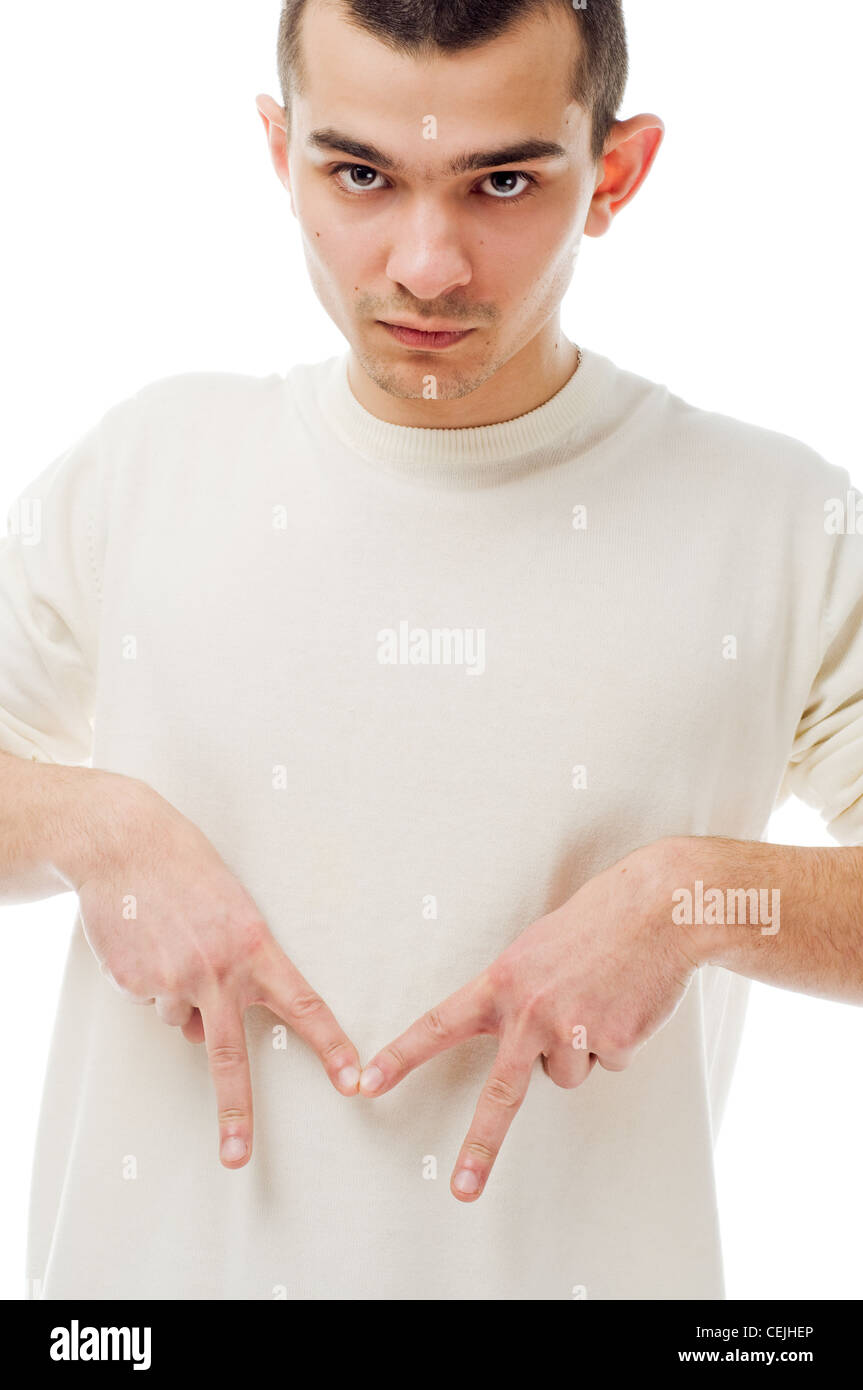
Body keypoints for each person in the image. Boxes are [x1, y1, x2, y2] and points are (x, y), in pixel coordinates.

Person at [2, 0, 862, 1302]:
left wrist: (694, 899)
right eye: (360, 174)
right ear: (278, 153)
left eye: (501, 181)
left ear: (617, 173)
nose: (425, 265)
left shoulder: (780, 523)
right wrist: (86, 823)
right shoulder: (146, 469)